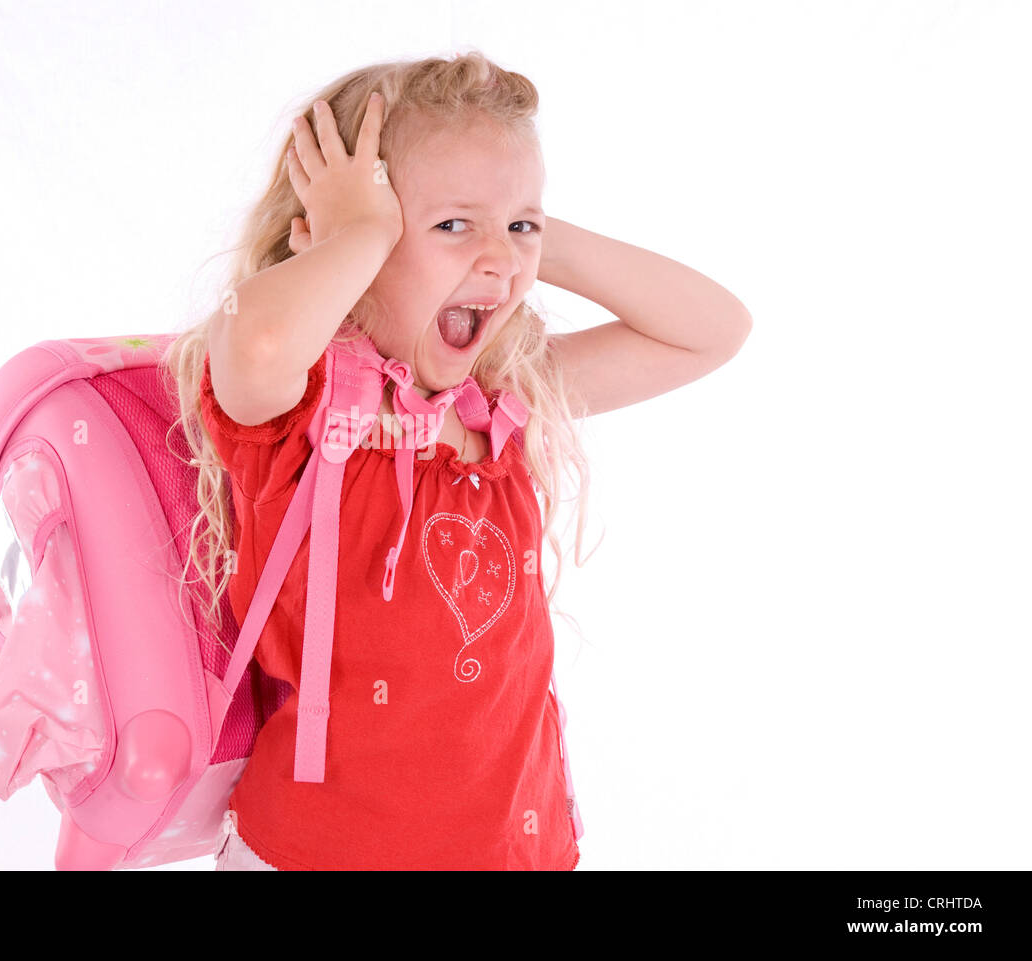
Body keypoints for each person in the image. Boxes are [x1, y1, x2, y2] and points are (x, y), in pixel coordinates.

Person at [163, 50, 752, 871]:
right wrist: (365, 231)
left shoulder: (503, 401)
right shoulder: (300, 410)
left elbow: (713, 329)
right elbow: (258, 339)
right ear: (327, 237)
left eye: (519, 227)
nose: (501, 261)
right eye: (449, 225)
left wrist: (526, 230)